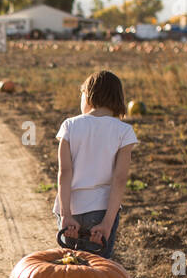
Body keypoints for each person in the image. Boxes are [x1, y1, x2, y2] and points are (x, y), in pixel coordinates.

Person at [53, 70, 137, 259]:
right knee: (97, 269)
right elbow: (120, 179)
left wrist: (66, 215)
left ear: (89, 96)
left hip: (70, 208)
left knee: (69, 266)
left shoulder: (69, 126)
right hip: (100, 210)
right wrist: (107, 222)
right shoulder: (124, 131)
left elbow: (64, 173)